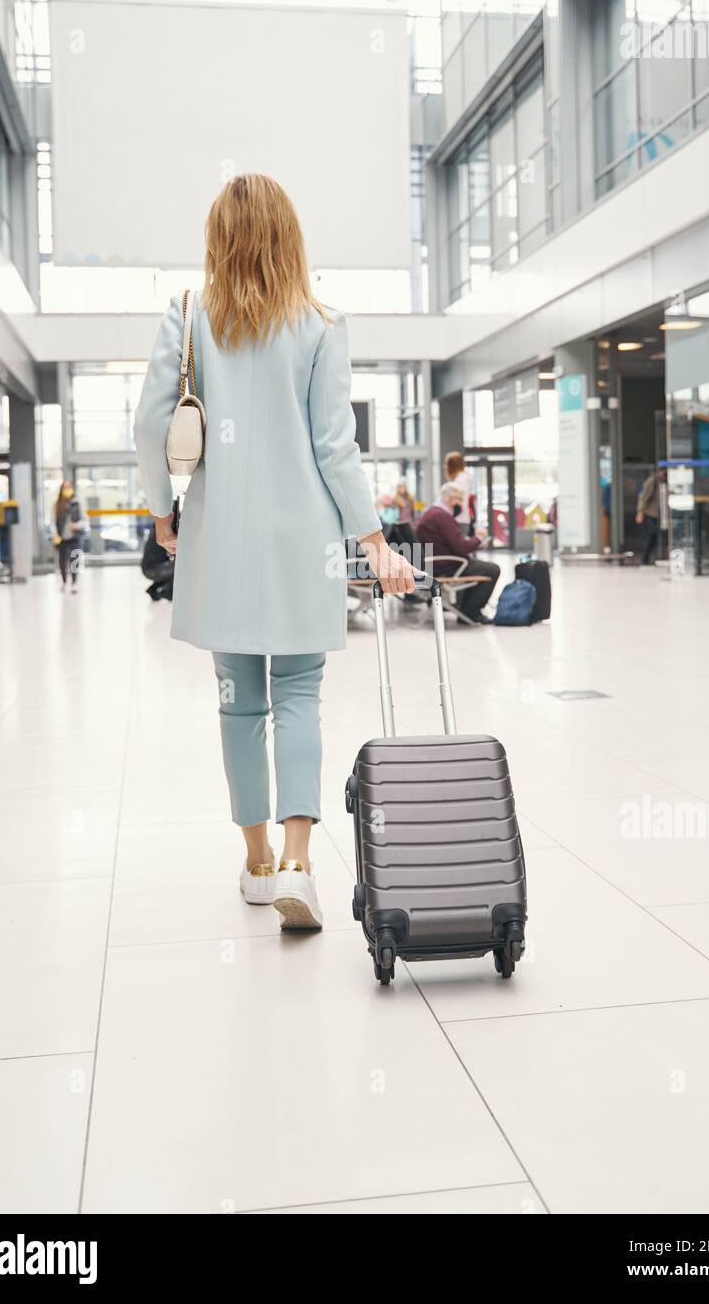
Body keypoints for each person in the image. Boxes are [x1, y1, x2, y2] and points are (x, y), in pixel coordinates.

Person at [134, 174, 415, 932]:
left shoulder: (189, 316)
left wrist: (163, 512)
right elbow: (335, 445)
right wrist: (374, 540)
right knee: (297, 696)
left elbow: (148, 425)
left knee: (238, 701)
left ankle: (256, 861)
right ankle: (299, 861)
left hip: (219, 537)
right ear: (290, 236)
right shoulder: (322, 322)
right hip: (303, 541)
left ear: (217, 238)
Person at [415, 482, 499, 624]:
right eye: (459, 499)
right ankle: (471, 612)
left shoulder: (431, 514)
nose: (461, 504)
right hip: (448, 565)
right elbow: (462, 547)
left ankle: (465, 609)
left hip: (436, 563)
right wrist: (479, 537)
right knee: (492, 569)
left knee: (479, 567)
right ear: (449, 499)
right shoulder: (441, 516)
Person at [52, 481, 84, 593]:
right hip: (61, 539)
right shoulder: (57, 504)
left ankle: (74, 583)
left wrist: (77, 525)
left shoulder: (77, 503)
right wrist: (55, 534)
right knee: (62, 563)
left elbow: (84, 520)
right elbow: (52, 521)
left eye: (69, 487)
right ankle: (64, 582)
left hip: (75, 538)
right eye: (65, 487)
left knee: (74, 561)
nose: (67, 489)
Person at [636, 468, 663, 565]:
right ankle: (645, 558)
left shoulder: (665, 480)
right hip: (652, 513)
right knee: (652, 534)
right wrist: (640, 512)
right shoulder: (652, 481)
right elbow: (643, 497)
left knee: (656, 535)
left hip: (662, 514)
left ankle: (655, 557)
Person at [141, 523, 174, 601]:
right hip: (153, 569)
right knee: (180, 567)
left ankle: (154, 589)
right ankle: (166, 591)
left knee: (174, 566)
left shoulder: (161, 526)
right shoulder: (167, 528)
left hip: (150, 568)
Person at [444, 452, 475, 531]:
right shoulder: (463, 479)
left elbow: (460, 503)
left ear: (452, 465)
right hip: (461, 520)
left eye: (446, 463)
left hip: (459, 520)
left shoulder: (460, 480)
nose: (445, 467)